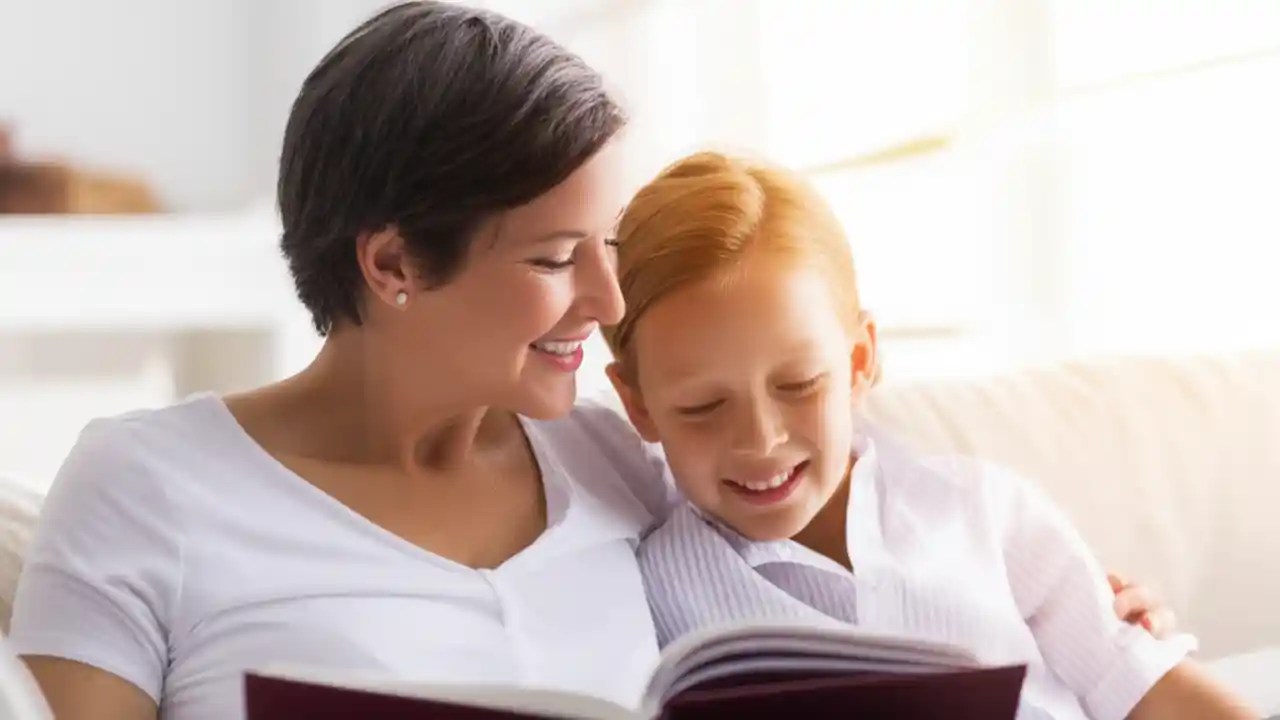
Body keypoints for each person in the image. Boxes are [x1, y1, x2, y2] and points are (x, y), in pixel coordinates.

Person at [5, 3, 1176, 720]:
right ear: (392, 264)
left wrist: (1073, 615)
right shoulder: (149, 486)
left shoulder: (622, 458)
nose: (609, 304)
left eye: (606, 249)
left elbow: (842, 521)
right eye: (556, 258)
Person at [602, 151, 1257, 719]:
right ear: (639, 405)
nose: (759, 440)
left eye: (798, 385)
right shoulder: (652, 593)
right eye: (704, 406)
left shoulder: (982, 513)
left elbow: (1143, 681)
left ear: (860, 360)